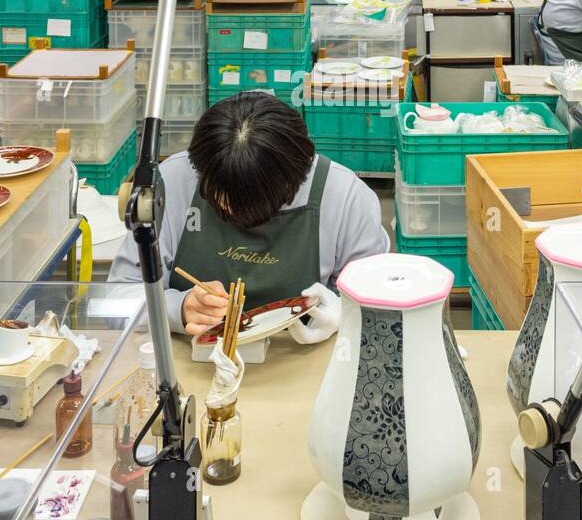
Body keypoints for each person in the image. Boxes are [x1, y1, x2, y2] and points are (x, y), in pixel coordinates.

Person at [108, 92, 389, 338]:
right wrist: (176, 309)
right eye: (220, 201)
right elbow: (116, 298)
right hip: (193, 366)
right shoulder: (171, 184)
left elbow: (381, 307)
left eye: (249, 205)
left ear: (295, 180)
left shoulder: (345, 197)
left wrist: (343, 314)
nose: (230, 212)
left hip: (303, 362)